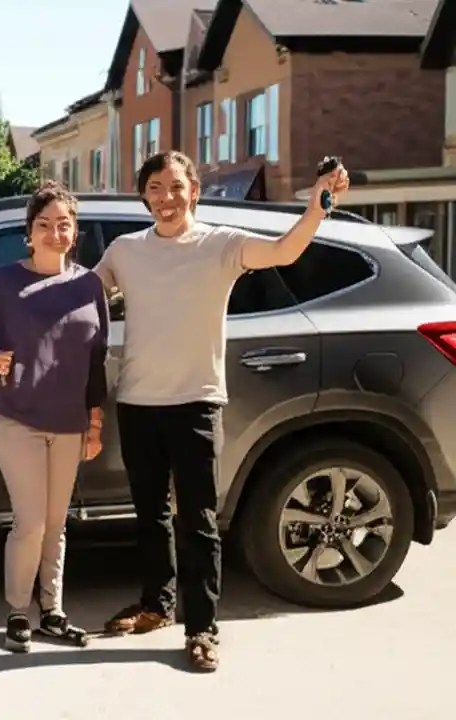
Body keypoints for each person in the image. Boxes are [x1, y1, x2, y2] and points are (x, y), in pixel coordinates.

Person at [94, 150, 351, 672]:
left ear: (194, 190)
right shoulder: (125, 250)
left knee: (200, 521)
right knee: (150, 516)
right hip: (138, 401)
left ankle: (202, 628)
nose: (165, 198)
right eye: (154, 189)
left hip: (196, 402)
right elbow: (81, 295)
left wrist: (320, 205)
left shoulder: (221, 244)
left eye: (174, 187)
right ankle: (155, 606)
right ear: (144, 195)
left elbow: (284, 251)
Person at [0, 181, 110, 653]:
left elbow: (98, 359)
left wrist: (95, 424)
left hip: (70, 421)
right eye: (44, 224)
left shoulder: (89, 284)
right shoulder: (3, 280)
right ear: (29, 232)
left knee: (57, 522)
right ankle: (18, 613)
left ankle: (52, 612)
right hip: (18, 416)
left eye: (64, 225)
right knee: (30, 521)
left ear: (75, 234)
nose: (55, 232)